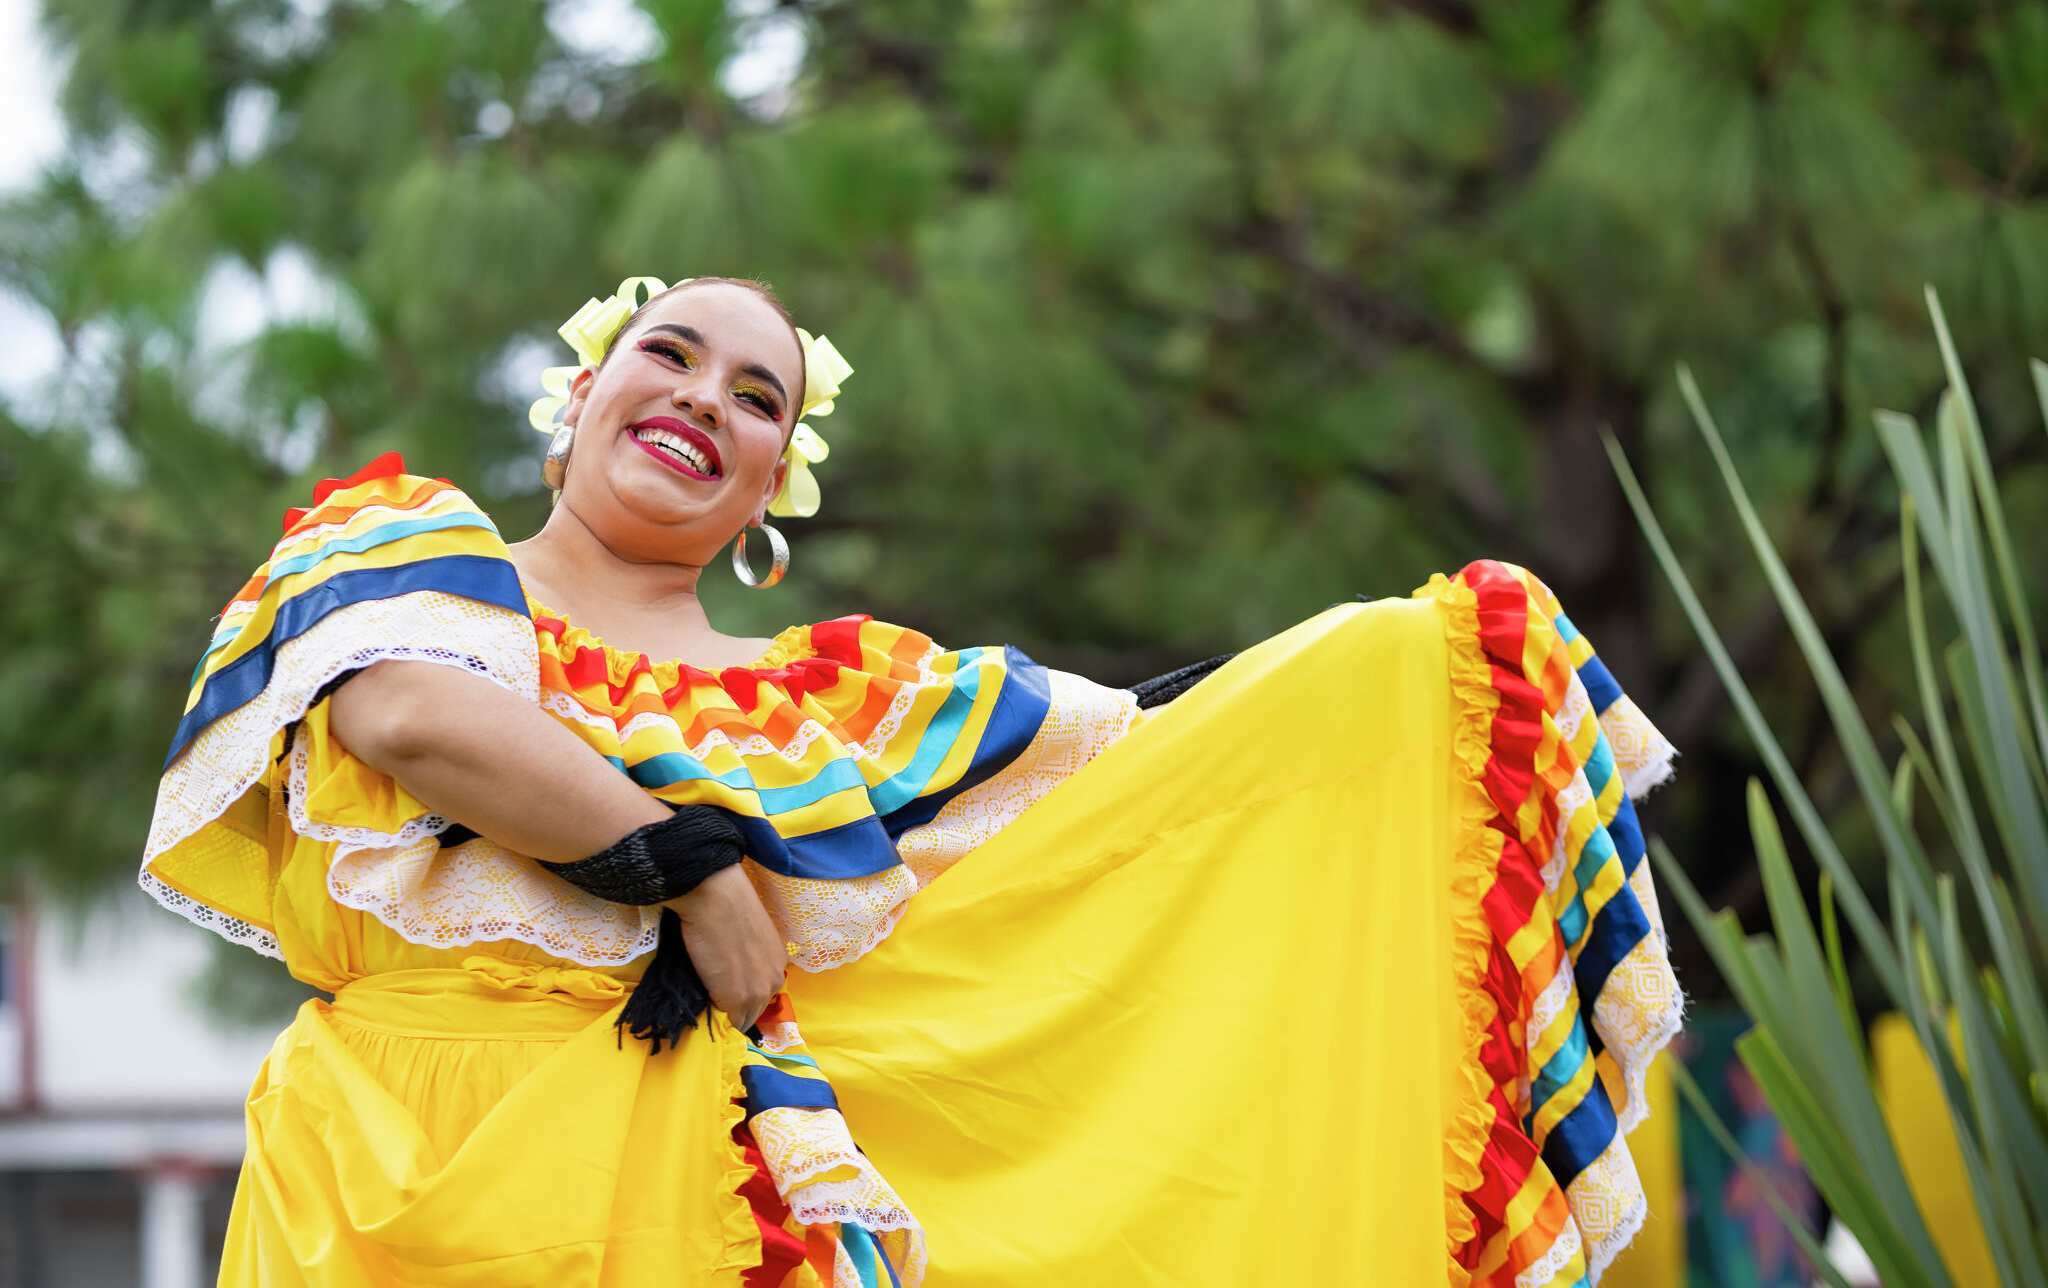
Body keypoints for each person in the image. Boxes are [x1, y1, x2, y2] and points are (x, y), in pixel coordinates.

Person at [142, 275, 1684, 1287]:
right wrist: (686, 862)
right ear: (578, 404)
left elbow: (1134, 783)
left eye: (759, 394)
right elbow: (416, 719)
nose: (704, 397)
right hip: (386, 1172)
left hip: (695, 1192)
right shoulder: (414, 556)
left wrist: (1391, 685)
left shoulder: (839, 706)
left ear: (770, 493)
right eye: (667, 353)